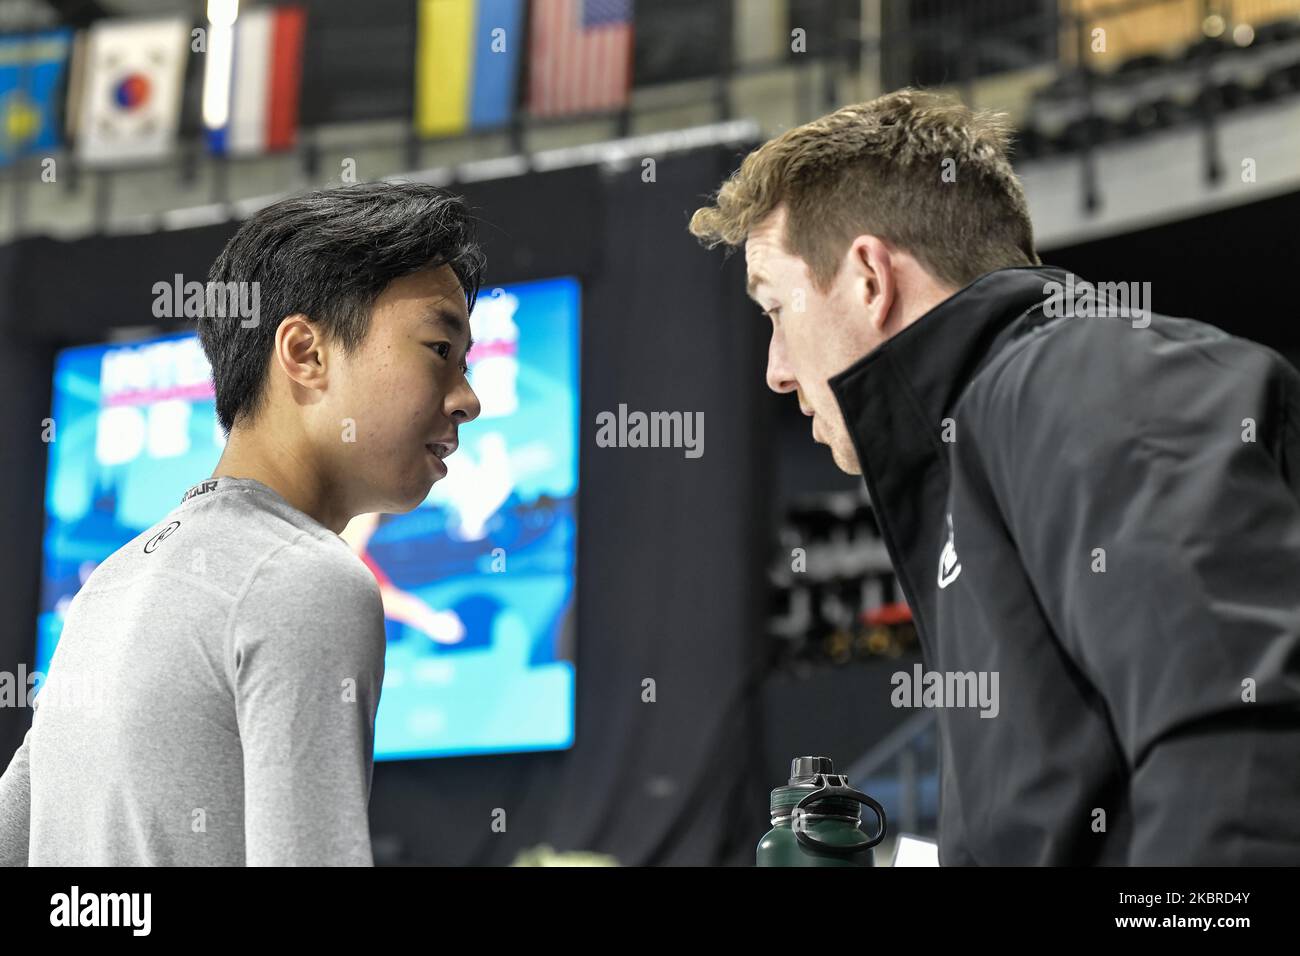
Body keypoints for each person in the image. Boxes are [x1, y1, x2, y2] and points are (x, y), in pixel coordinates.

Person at [688, 88, 1300, 865]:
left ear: (870, 279)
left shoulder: (1076, 377)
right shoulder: (987, 444)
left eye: (775, 310)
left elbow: (1241, 753)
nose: (775, 371)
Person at [0, 181, 483, 865]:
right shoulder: (306, 579)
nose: (469, 399)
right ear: (306, 354)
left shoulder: (108, 586)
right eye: (440, 349)